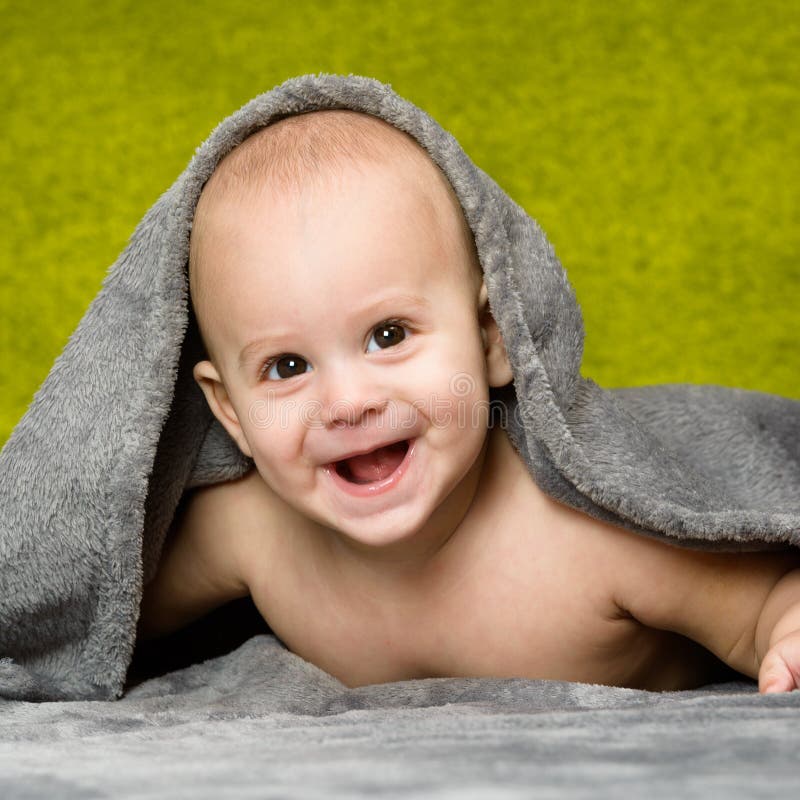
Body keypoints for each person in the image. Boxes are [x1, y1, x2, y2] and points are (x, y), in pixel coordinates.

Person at [136, 109, 800, 693]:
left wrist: (785, 630)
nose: (347, 401)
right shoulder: (253, 533)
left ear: (491, 336)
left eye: (388, 335)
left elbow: (765, 600)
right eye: (286, 366)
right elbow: (98, 607)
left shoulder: (593, 536)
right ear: (230, 412)